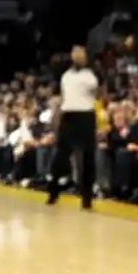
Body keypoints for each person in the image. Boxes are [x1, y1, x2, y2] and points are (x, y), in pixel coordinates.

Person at [46, 46, 100, 208]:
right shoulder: (66, 76)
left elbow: (97, 92)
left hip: (85, 115)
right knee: (60, 156)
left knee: (87, 157)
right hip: (70, 116)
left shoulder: (90, 75)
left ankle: (86, 197)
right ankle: (53, 191)